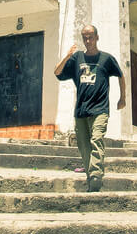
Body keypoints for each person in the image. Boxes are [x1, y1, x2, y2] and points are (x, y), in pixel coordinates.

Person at [54, 25, 126, 192]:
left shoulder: (107, 59)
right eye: (85, 37)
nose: (88, 41)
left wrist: (122, 98)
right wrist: (67, 56)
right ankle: (91, 178)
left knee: (97, 139)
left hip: (100, 109)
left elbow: (121, 75)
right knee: (84, 146)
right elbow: (57, 73)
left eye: (91, 37)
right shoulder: (77, 58)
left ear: (97, 37)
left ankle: (95, 175)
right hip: (81, 110)